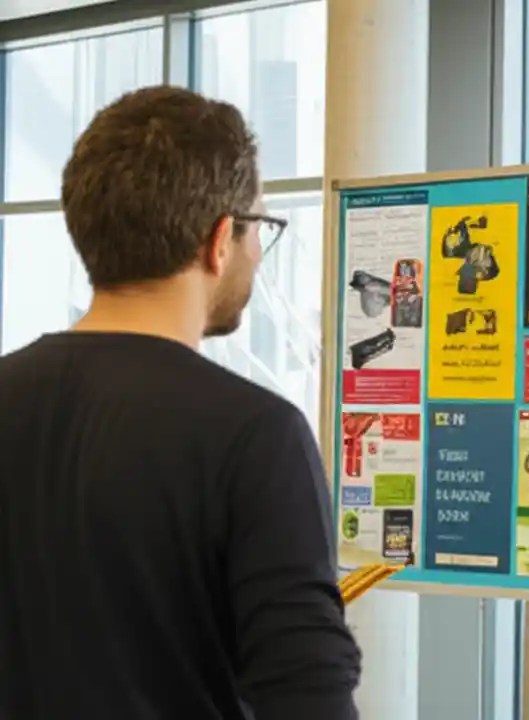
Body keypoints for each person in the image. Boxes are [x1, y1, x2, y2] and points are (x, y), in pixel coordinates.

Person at [0, 86, 361, 719]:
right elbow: (308, 698)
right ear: (220, 240)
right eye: (259, 229)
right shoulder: (257, 436)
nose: (255, 253)